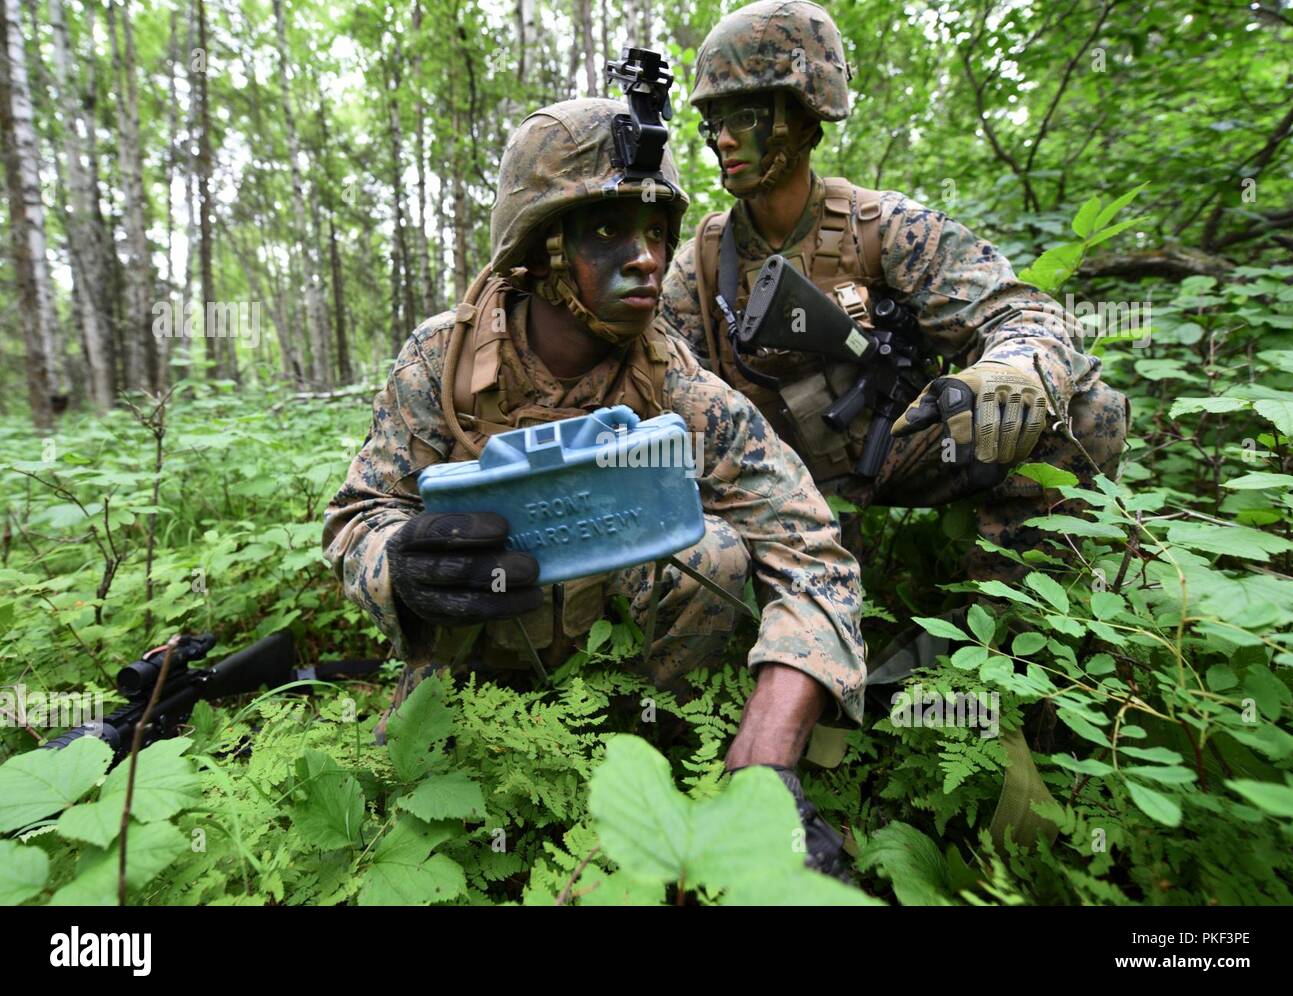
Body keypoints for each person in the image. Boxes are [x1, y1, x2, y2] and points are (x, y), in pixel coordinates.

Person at [323, 95, 867, 878]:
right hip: (467, 693)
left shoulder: (679, 388)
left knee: (712, 550)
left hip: (631, 688)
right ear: (541, 248)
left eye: (655, 231)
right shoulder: (441, 363)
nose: (646, 256)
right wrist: (401, 563)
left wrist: (766, 764)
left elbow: (813, 554)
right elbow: (355, 519)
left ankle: (652, 748)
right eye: (609, 230)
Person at [659, 0, 1130, 580]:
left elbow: (1020, 311)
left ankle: (1009, 617)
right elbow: (653, 390)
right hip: (767, 476)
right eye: (715, 123)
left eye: (747, 118)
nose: (724, 141)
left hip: (893, 448)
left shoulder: (883, 228)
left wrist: (1012, 370)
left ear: (807, 116)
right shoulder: (700, 266)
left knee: (1089, 414)